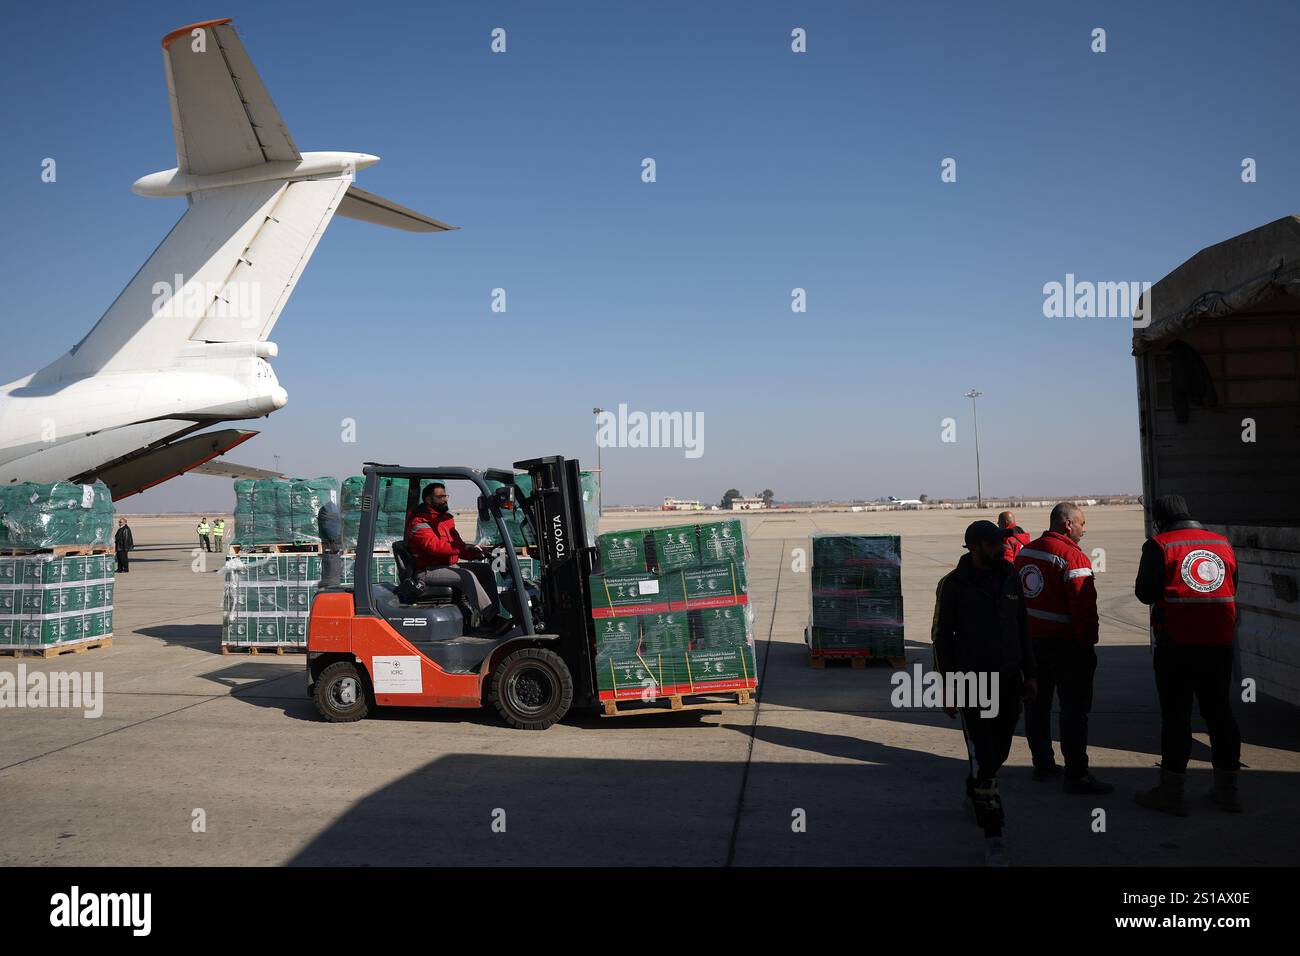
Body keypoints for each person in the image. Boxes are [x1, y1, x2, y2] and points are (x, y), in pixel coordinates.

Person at [933, 520, 1037, 865]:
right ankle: (994, 832)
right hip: (971, 682)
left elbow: (1023, 626)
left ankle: (973, 786)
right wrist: (946, 686)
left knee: (1000, 751)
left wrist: (1030, 673)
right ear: (975, 547)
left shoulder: (1010, 576)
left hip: (1008, 679)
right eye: (994, 544)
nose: (1002, 548)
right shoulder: (953, 586)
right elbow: (942, 639)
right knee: (986, 757)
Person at [1133, 494, 1242, 815]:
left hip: (1177, 646)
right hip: (1220, 645)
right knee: (1219, 713)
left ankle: (1172, 791)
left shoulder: (1160, 545)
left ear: (1161, 518)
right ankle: (1228, 791)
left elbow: (1144, 593)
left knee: (1177, 717)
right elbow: (1233, 584)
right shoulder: (1222, 543)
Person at [1014, 502, 1113, 794]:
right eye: (1082, 524)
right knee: (1073, 712)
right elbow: (1084, 609)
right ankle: (1076, 774)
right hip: (1067, 648)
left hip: (1032, 647)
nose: (1084, 529)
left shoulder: (1025, 553)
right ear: (1068, 524)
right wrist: (1087, 645)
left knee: (1037, 706)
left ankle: (1043, 765)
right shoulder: (1073, 557)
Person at [405, 483, 498, 628]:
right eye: (440, 497)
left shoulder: (445, 519)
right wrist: (461, 549)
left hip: (447, 565)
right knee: (466, 576)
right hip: (427, 570)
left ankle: (489, 617)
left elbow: (458, 545)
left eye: (446, 496)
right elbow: (434, 547)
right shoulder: (419, 521)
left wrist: (474, 552)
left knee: (485, 570)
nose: (445, 500)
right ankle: (492, 619)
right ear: (429, 500)